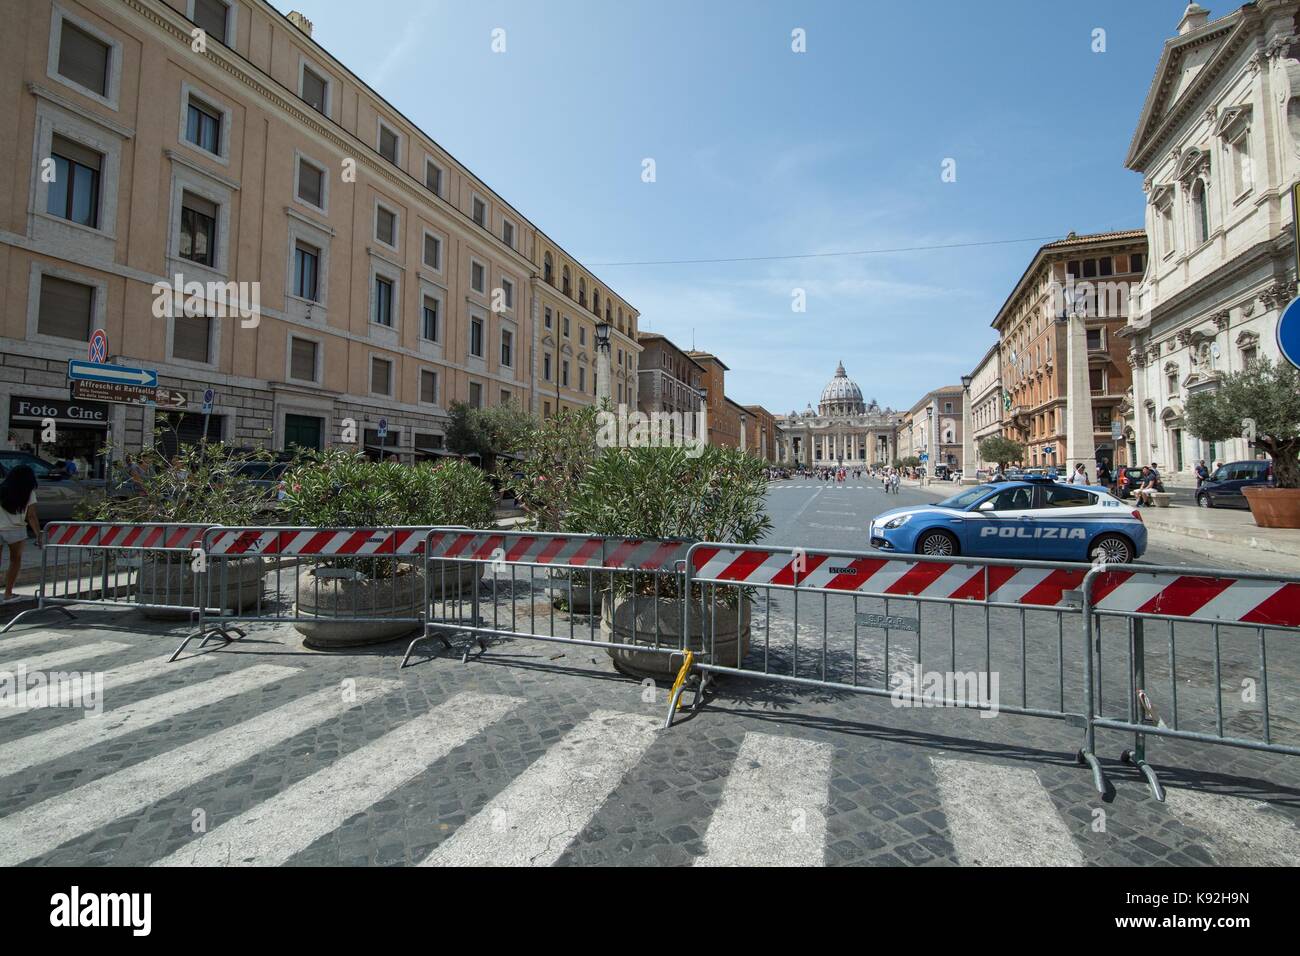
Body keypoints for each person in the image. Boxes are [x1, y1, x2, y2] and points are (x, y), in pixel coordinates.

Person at [0, 465, 40, 604]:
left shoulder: (1, 489)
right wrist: (38, 535)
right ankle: (8, 593)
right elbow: (32, 516)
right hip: (16, 531)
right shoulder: (29, 493)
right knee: (15, 561)